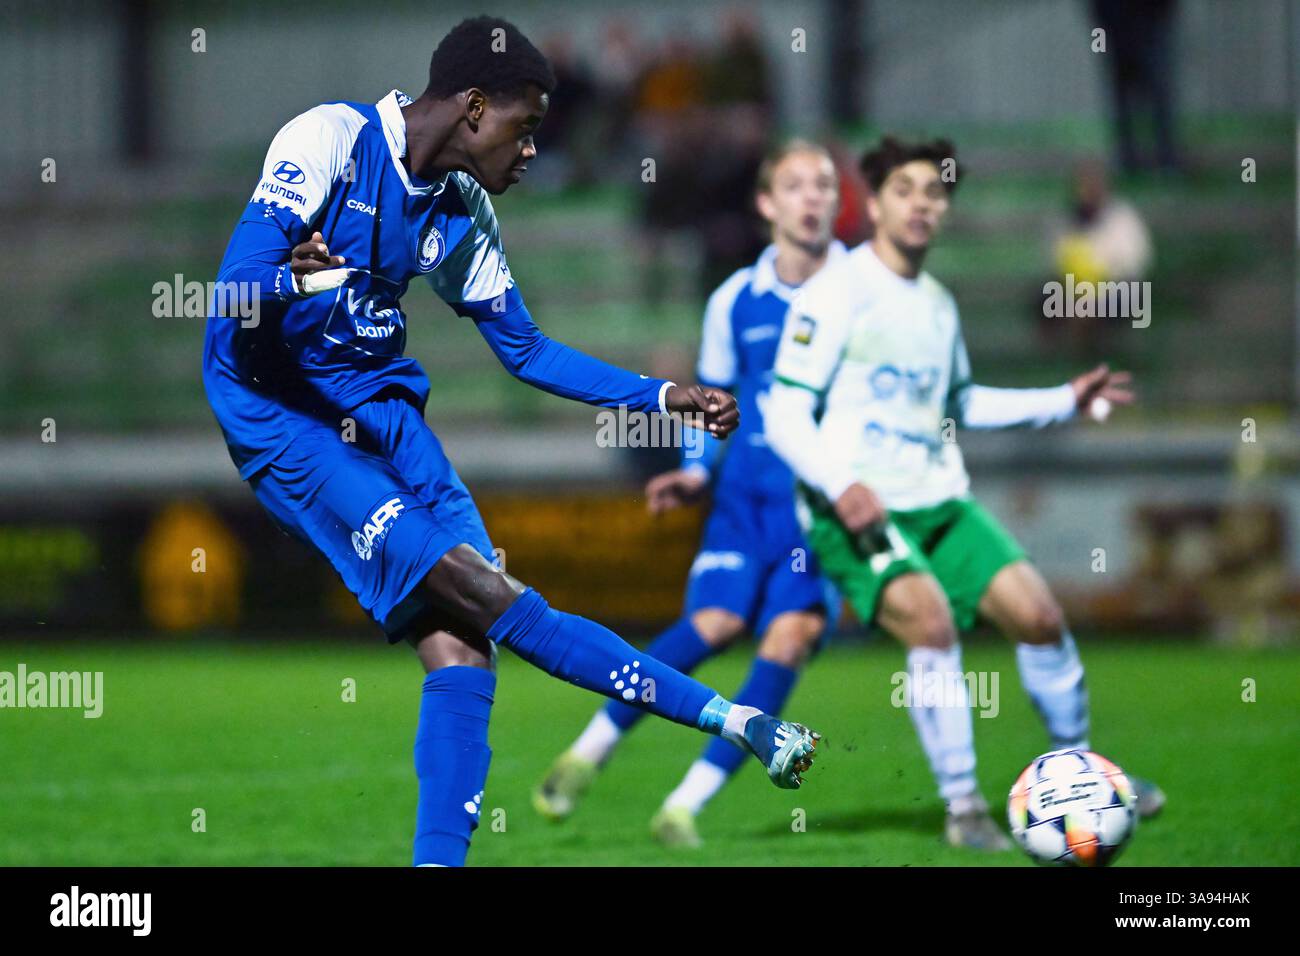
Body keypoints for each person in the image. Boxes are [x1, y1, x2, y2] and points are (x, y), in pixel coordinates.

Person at [201, 16, 819, 868]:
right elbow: (230, 295)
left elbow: (526, 351)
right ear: (476, 108)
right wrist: (284, 281)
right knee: (479, 586)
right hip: (279, 412)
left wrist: (665, 395)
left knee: (466, 648)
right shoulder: (330, 141)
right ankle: (734, 719)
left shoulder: (461, 211)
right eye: (527, 129)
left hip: (377, 405)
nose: (532, 152)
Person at [764, 136, 1164, 851]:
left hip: (941, 500)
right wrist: (840, 483)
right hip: (858, 510)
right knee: (933, 624)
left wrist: (1062, 399)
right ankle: (963, 808)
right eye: (906, 191)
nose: (922, 205)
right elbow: (783, 409)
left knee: (1041, 617)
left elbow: (961, 402)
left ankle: (1082, 772)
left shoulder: (939, 305)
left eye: (935, 194)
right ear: (878, 202)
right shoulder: (837, 290)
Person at [535, 141, 844, 847]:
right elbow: (713, 400)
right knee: (713, 627)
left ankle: (685, 806)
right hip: (743, 497)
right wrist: (698, 469)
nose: (813, 196)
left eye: (824, 184)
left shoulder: (860, 292)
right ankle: (592, 749)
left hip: (819, 507)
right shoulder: (734, 301)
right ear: (767, 204)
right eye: (796, 184)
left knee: (790, 638)